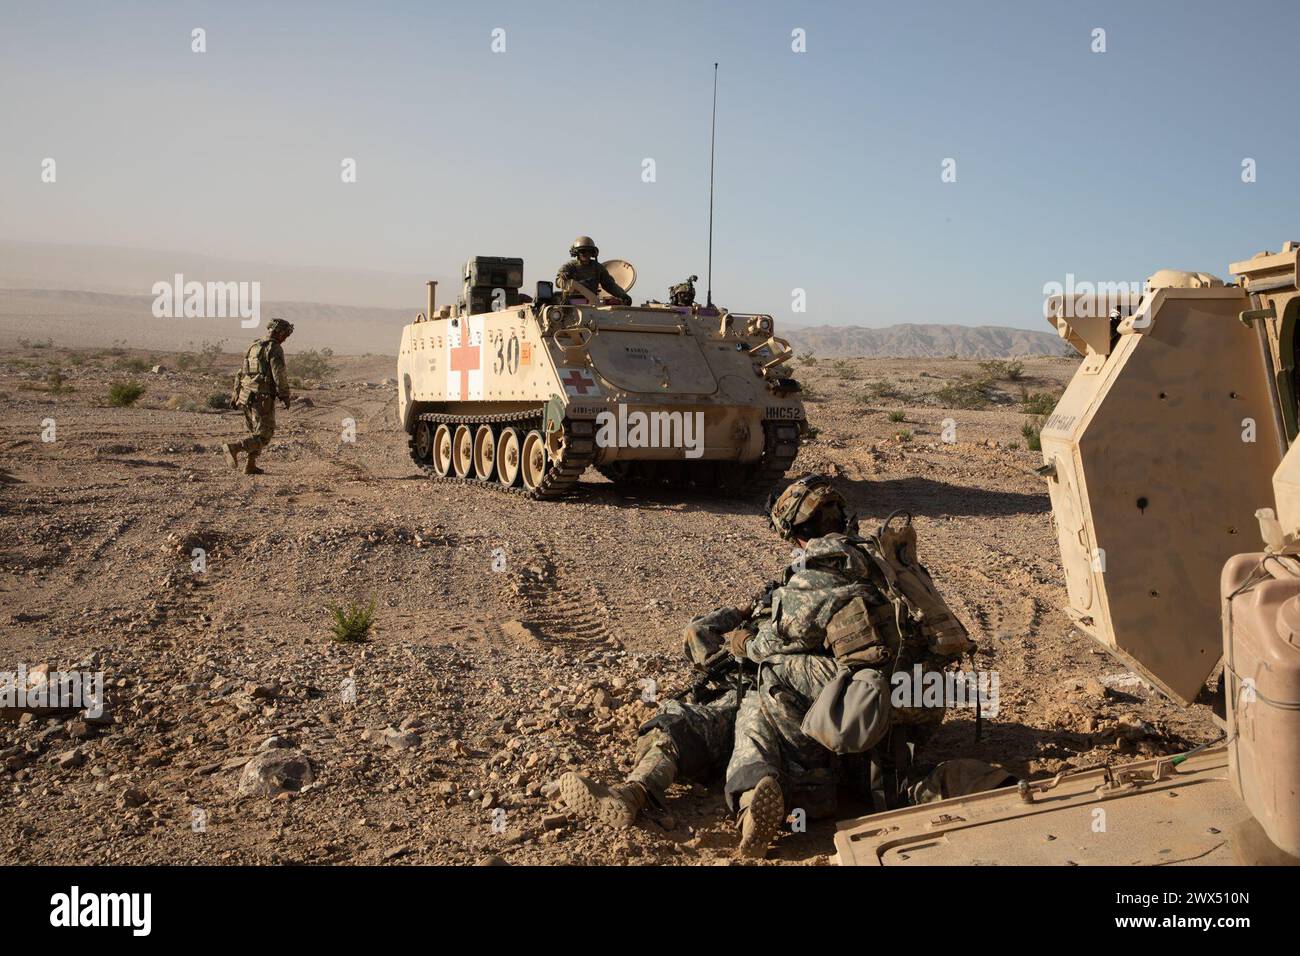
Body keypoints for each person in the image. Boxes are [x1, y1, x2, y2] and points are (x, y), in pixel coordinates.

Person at [222, 318, 293, 475]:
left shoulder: (254, 346)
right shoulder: (274, 348)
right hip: (262, 396)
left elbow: (241, 372)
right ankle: (234, 447)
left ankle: (250, 465)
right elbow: (279, 373)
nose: (286, 338)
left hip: (246, 394)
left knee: (255, 432)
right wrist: (285, 395)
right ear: (279, 332)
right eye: (285, 334)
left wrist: (235, 393)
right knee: (264, 434)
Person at [555, 236, 631, 305]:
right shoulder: (570, 266)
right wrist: (563, 279)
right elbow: (558, 281)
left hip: (592, 303)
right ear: (576, 252)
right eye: (582, 251)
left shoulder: (598, 268)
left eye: (589, 251)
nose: (586, 254)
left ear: (593, 253)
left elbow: (609, 285)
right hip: (572, 302)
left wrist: (623, 295)